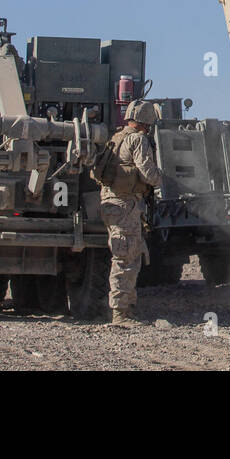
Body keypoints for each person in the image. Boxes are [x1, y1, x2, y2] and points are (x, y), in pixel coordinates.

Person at [93, 98, 163, 325]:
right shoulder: (138, 139)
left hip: (112, 203)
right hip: (125, 205)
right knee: (126, 258)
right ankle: (121, 314)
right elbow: (148, 173)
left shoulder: (116, 137)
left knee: (127, 254)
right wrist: (166, 181)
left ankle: (124, 310)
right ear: (147, 121)